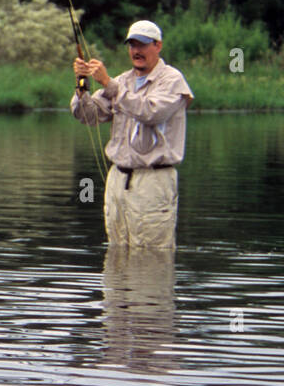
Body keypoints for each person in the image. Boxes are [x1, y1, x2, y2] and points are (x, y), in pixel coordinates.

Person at [70, 20, 194, 248]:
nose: (136, 51)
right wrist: (82, 85)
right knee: (116, 252)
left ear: (158, 46)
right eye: (132, 45)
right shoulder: (122, 81)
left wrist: (107, 82)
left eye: (143, 45)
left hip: (154, 181)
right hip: (118, 180)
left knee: (152, 253)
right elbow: (88, 115)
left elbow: (150, 112)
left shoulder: (172, 80)